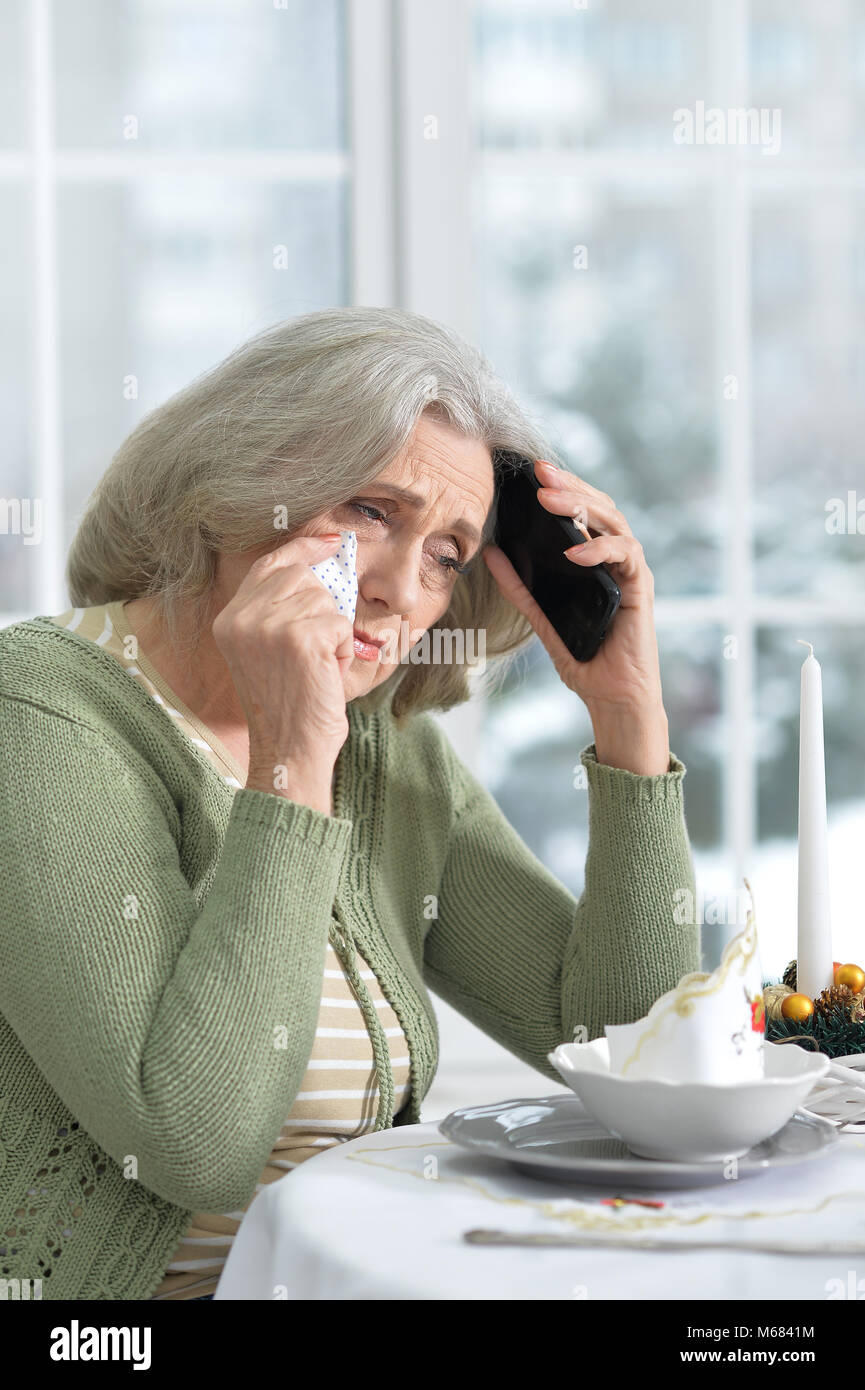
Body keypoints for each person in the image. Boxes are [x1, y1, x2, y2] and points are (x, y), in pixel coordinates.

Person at [0, 306, 698, 1300]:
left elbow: (642, 1063)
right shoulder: (36, 711)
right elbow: (193, 1147)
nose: (402, 590)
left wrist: (629, 717)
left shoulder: (388, 753)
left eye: (449, 553)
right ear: (245, 480)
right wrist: (293, 756)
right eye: (373, 510)